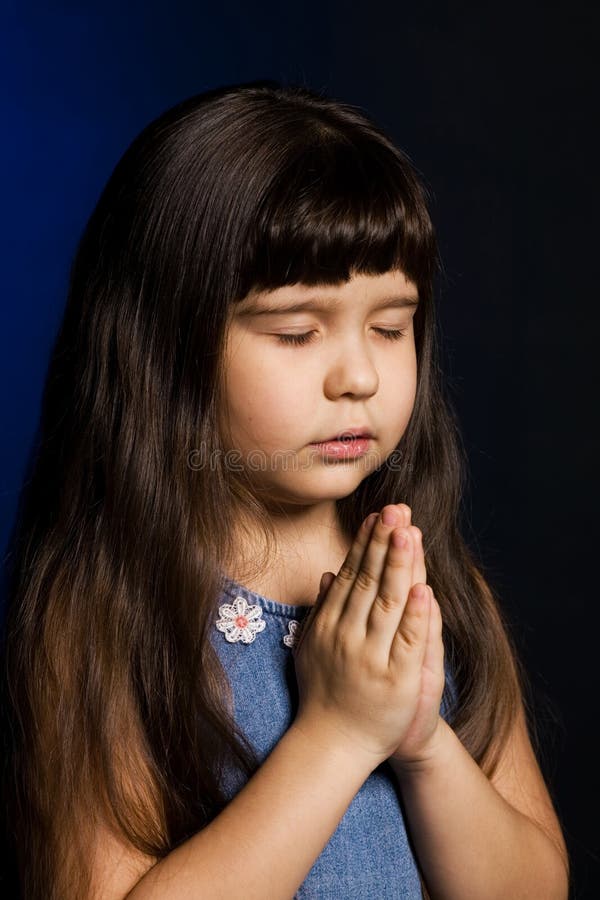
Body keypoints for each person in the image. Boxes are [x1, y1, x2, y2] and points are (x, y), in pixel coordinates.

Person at [0, 79, 569, 899]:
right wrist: (337, 734)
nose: (359, 376)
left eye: (391, 326)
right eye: (297, 332)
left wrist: (421, 742)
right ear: (167, 345)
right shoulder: (110, 615)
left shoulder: (434, 589)